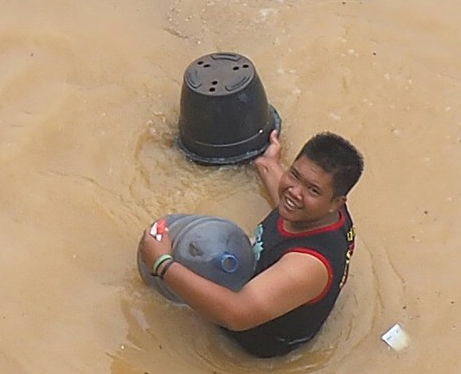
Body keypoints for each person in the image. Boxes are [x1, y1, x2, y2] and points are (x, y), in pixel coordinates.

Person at [142, 130, 363, 356]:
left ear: (336, 203)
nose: (295, 192)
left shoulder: (307, 265)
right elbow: (290, 196)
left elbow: (235, 314)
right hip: (262, 285)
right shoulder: (319, 210)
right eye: (294, 175)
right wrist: (267, 164)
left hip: (256, 334)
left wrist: (163, 264)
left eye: (313, 190)